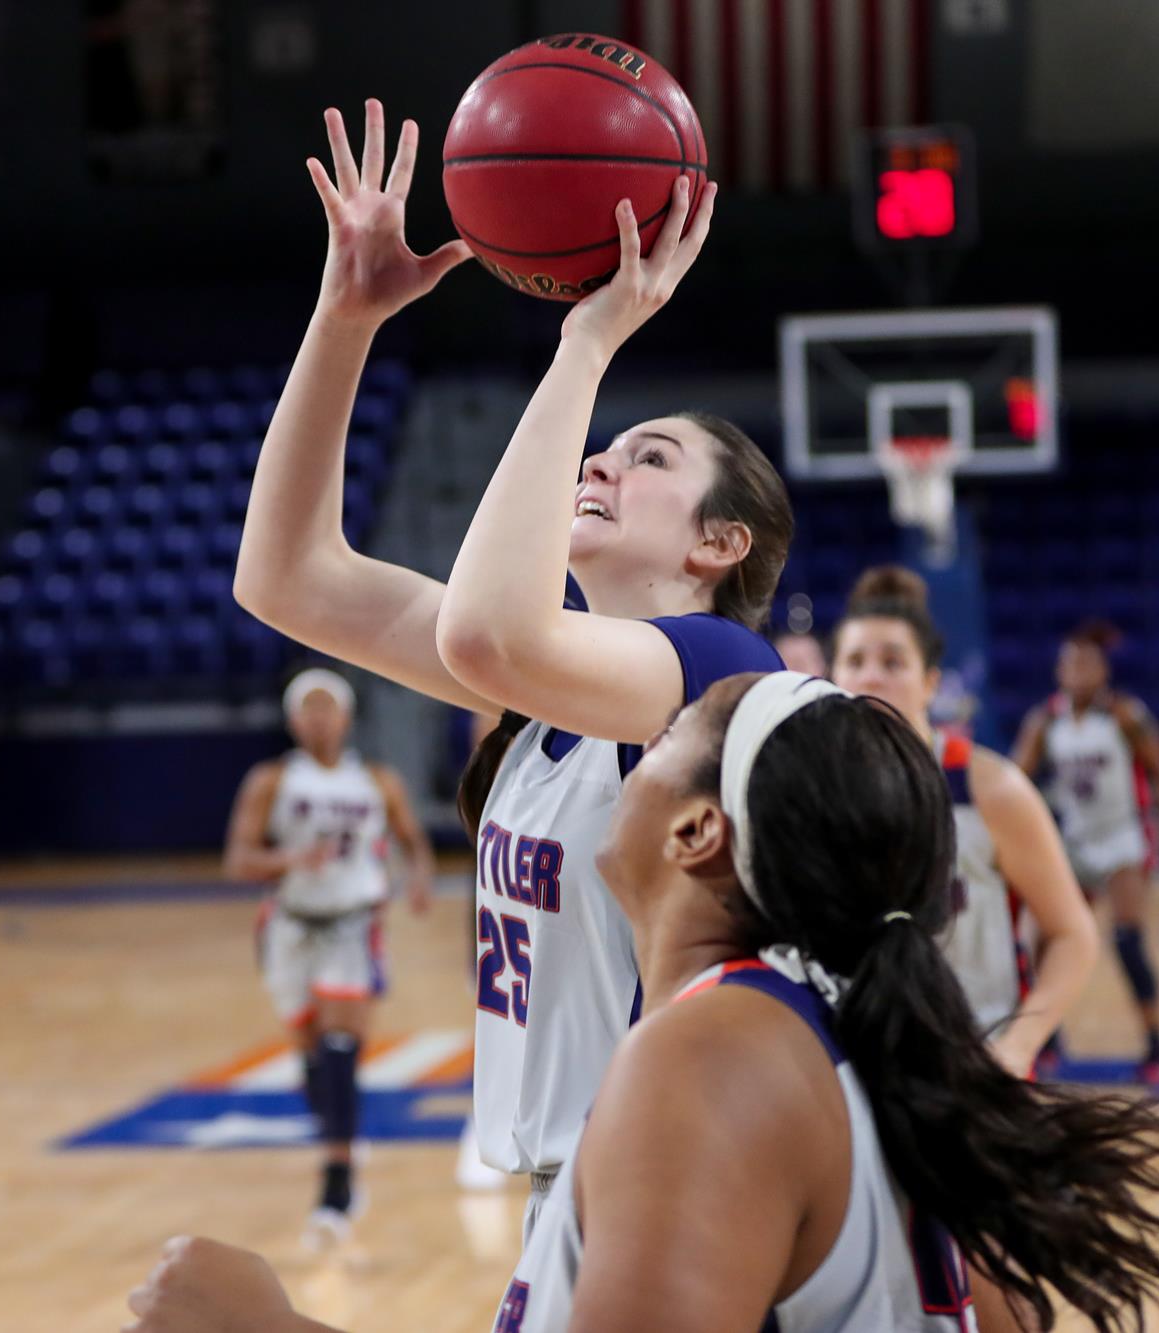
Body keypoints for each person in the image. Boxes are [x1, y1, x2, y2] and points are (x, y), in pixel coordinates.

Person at [124, 673, 1159, 1333]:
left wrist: (270, 1326)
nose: (633, 746)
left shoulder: (713, 1058)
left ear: (699, 832)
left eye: (668, 737)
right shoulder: (850, 1041)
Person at [232, 101, 789, 1223]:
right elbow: (282, 577)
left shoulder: (718, 671)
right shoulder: (551, 701)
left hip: (667, 1184)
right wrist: (344, 320)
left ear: (716, 544)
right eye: (609, 444)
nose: (599, 458)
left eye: (649, 458)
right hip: (574, 1190)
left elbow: (487, 630)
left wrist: (587, 341)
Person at [829, 568, 1098, 1077]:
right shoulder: (813, 789)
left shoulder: (991, 787)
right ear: (832, 677)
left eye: (892, 662)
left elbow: (1073, 934)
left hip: (971, 1061)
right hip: (854, 1067)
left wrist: (1019, 1047)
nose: (870, 677)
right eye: (855, 661)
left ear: (931, 683)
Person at [221, 667, 434, 1247]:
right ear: (293, 721)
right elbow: (237, 860)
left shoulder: (378, 781)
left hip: (353, 922)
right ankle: (340, 1138)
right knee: (312, 1055)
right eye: (307, 710)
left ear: (345, 717)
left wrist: (417, 880)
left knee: (341, 1049)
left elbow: (414, 839)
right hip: (289, 926)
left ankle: (335, 1189)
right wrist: (289, 860)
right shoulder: (271, 780)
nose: (319, 719)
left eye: (328, 708)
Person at [1012, 621, 1159, 1086]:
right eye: (1069, 662)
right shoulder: (1045, 721)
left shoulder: (1126, 715)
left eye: (1087, 662)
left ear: (1104, 670)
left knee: (1128, 942)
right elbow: (1014, 781)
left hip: (1123, 836)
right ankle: (1047, 1039)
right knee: (1043, 942)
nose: (1077, 670)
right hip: (1075, 840)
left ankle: (1156, 1045)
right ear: (1058, 670)